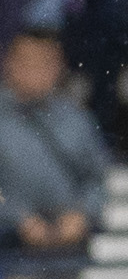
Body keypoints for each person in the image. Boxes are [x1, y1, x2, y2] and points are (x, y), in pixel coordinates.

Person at [0, 30, 107, 254]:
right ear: (9, 63)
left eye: (46, 63)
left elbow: (96, 179)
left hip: (70, 246)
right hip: (7, 247)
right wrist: (17, 218)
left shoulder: (76, 119)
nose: (36, 71)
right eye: (28, 62)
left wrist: (81, 215)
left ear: (59, 67)